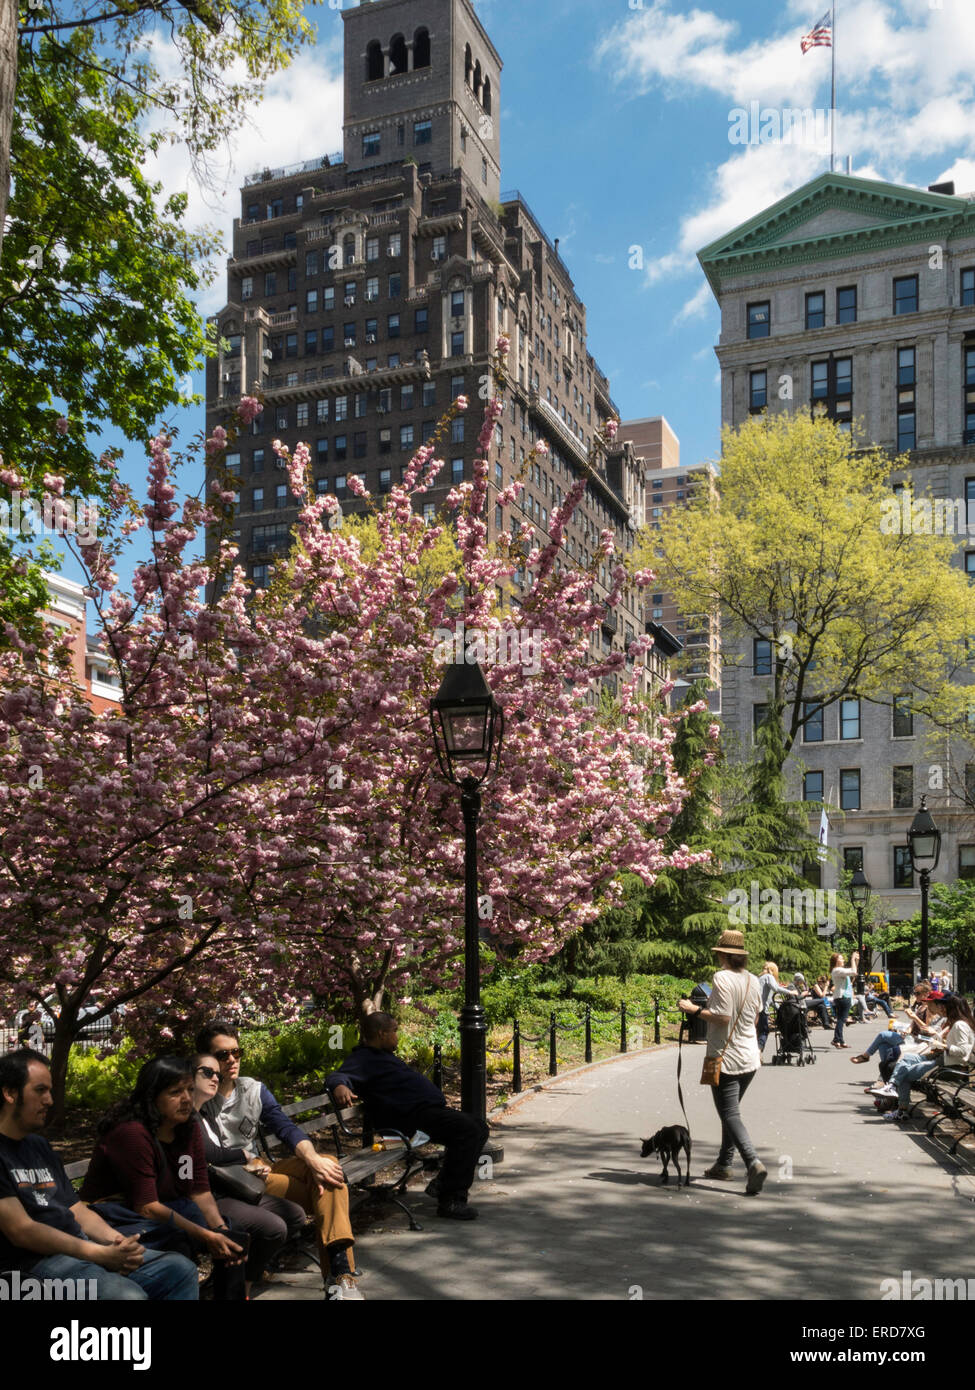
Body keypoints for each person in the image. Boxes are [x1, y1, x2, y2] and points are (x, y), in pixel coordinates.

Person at [0, 1049, 198, 1300]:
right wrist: (97, 1254)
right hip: (31, 1268)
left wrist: (117, 1242)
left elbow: (77, 1210)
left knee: (179, 1270)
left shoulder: (39, 1146)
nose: (50, 1100)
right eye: (40, 1090)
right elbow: (22, 1230)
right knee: (127, 1296)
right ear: (10, 1093)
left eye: (50, 1091)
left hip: (77, 1249)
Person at [196, 1021, 362, 1300]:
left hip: (259, 1175)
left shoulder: (253, 1090)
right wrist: (246, 1160)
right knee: (329, 1184)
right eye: (223, 1055)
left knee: (327, 1168)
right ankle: (339, 1279)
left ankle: (340, 1276)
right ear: (206, 1059)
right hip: (233, 1183)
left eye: (237, 1052)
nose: (232, 1060)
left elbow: (285, 1128)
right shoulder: (201, 1095)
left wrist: (312, 1160)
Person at [80, 1056, 248, 1300]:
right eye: (175, 1092)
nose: (187, 1099)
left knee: (233, 1236)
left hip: (169, 1210)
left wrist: (219, 1231)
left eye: (190, 1090)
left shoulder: (187, 1128)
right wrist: (206, 1235)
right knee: (181, 1243)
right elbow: (146, 1207)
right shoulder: (132, 1133)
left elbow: (199, 1190)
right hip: (118, 1219)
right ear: (152, 1096)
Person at [327, 1012, 489, 1219]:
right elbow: (338, 1075)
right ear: (381, 1033)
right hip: (407, 1122)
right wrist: (339, 1085)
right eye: (394, 1031)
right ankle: (451, 1200)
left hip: (422, 1114)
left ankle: (444, 1183)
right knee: (468, 1130)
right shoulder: (363, 1058)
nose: (397, 1036)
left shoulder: (381, 1056)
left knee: (479, 1127)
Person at [192, 1052, 300, 1297]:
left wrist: (251, 1164)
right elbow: (211, 1155)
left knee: (295, 1215)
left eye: (216, 1074)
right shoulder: (187, 1116)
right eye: (207, 1072)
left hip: (225, 1188)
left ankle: (244, 1281)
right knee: (271, 1227)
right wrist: (245, 1156)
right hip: (210, 1196)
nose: (215, 1078)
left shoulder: (205, 1115)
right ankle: (241, 1288)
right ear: (189, 1076)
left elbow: (215, 1155)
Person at [678, 930, 766, 1195]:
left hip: (725, 1057)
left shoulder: (722, 978)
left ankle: (753, 1163)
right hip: (750, 1056)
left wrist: (692, 1009)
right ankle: (724, 1164)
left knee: (729, 1114)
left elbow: (723, 1016)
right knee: (731, 1113)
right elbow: (755, 1018)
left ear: (725, 955)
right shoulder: (753, 979)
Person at [877, 994, 972, 1120]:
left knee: (904, 1073)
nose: (942, 1009)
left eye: (944, 1006)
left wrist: (943, 1046)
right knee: (907, 1058)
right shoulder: (955, 1024)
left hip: (950, 1067)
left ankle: (901, 1108)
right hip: (943, 1061)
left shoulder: (960, 1025)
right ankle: (892, 1087)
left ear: (952, 1008)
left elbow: (963, 1051)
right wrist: (940, 1044)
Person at [755, 962, 796, 1053]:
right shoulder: (769, 977)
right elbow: (776, 989)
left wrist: (779, 1008)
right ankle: (758, 1050)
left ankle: (757, 1053)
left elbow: (770, 999)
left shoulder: (759, 978)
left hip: (754, 1009)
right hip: (761, 1010)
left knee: (757, 1032)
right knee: (764, 1031)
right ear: (774, 971)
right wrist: (791, 992)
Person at [830, 950, 859, 1049]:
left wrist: (855, 960)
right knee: (842, 1020)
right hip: (843, 997)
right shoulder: (837, 970)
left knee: (840, 1020)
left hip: (841, 997)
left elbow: (854, 972)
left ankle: (840, 1040)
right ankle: (836, 1040)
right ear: (836, 961)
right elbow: (853, 971)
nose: (843, 960)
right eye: (841, 958)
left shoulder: (839, 970)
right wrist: (852, 959)